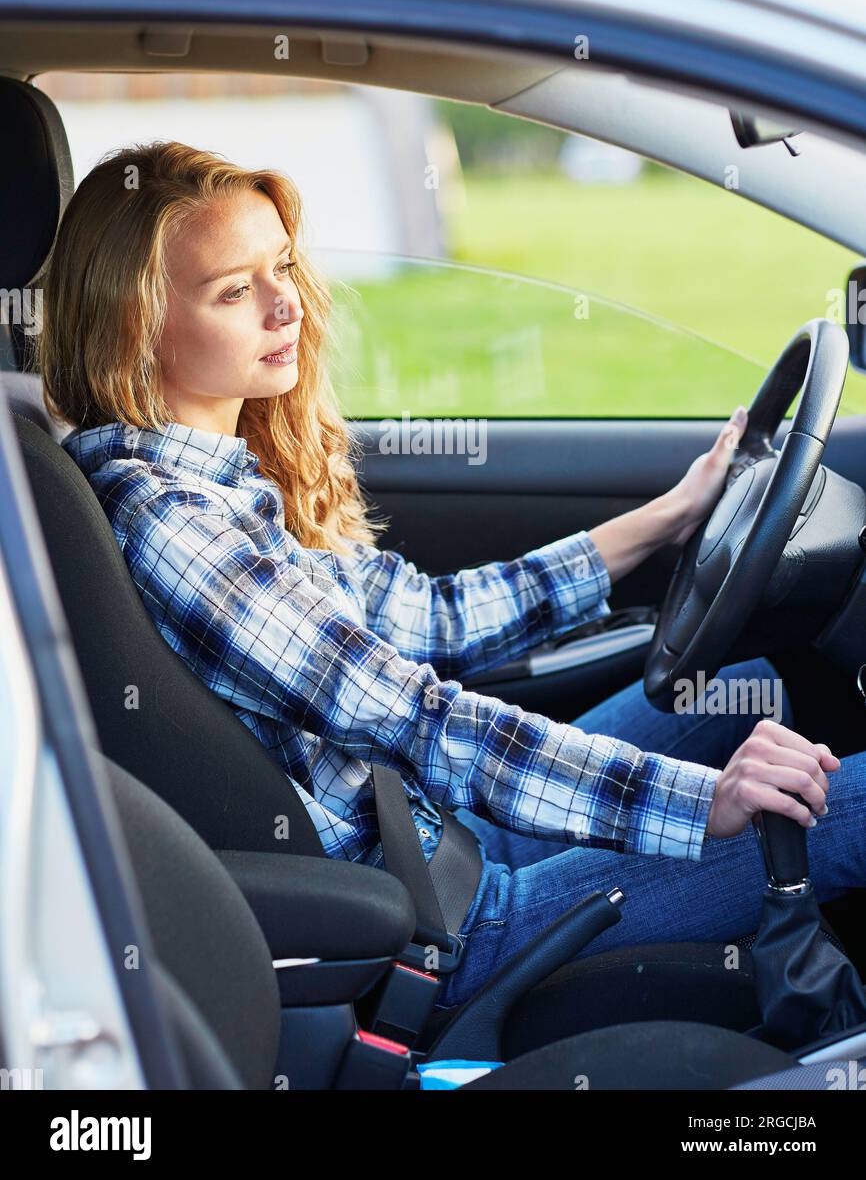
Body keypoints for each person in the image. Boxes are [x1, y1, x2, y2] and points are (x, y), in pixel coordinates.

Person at [35, 140, 863, 1013]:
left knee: (745, 690)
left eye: (282, 267)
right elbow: (415, 718)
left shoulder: (216, 479)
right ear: (137, 322)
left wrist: (663, 521)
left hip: (439, 842)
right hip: (448, 927)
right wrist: (704, 805)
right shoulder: (173, 522)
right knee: (845, 810)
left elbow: (422, 616)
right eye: (235, 291)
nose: (287, 305)